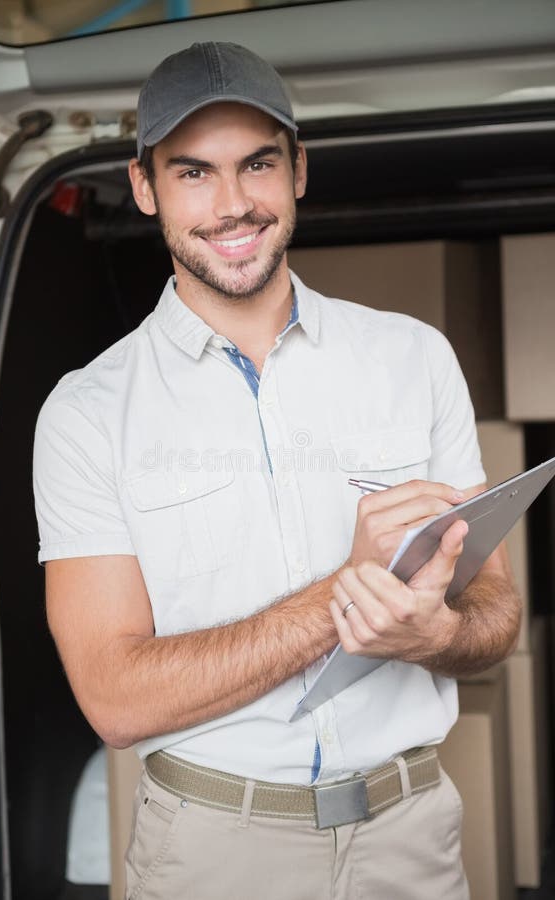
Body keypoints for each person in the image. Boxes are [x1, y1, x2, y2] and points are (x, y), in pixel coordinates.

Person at [33, 42, 520, 900]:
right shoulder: (86, 412)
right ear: (145, 189)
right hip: (214, 853)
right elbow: (115, 699)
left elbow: (494, 610)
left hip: (411, 838)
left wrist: (439, 636)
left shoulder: (414, 357)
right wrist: (348, 595)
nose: (232, 206)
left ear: (298, 170)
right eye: (193, 173)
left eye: (258, 164)